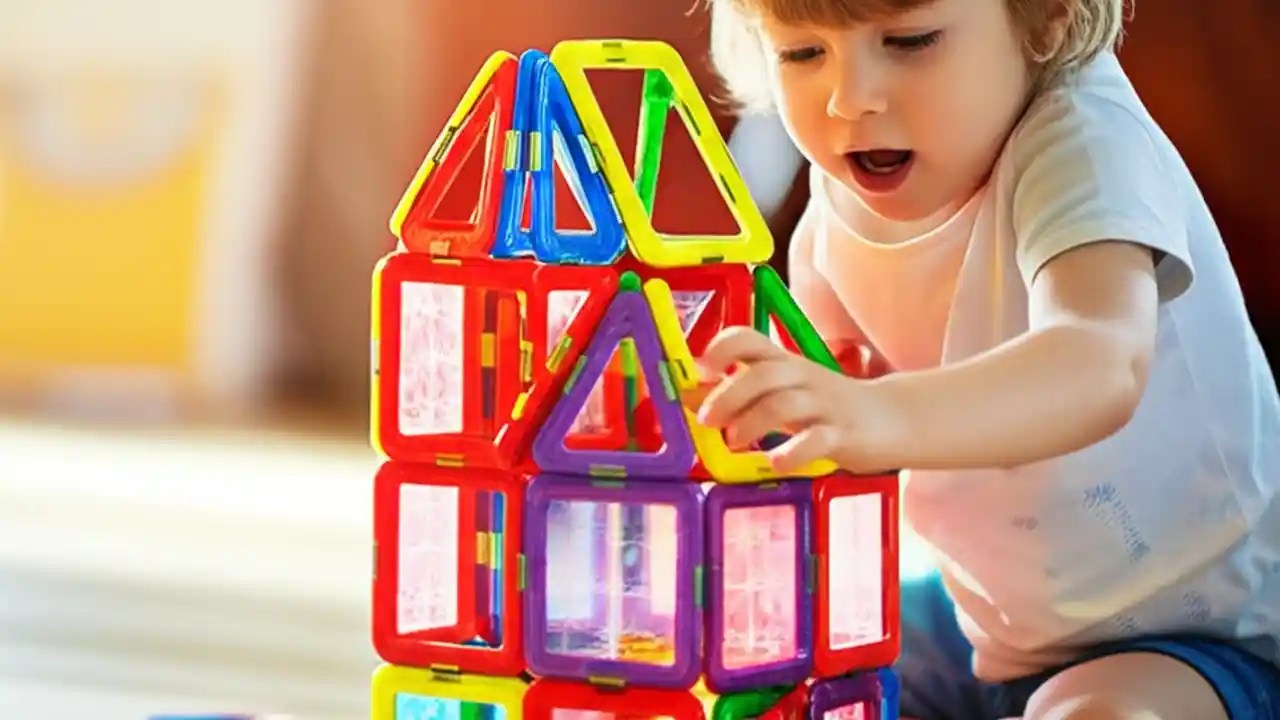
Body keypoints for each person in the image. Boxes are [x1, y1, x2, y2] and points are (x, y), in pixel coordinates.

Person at [690, 0, 1280, 717]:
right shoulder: (829, 226)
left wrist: (876, 413)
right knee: (763, 667)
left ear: (1050, 17)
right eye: (802, 53)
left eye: (911, 41)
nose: (850, 99)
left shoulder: (1084, 140)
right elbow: (832, 452)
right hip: (984, 623)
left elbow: (1100, 363)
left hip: (1196, 630)